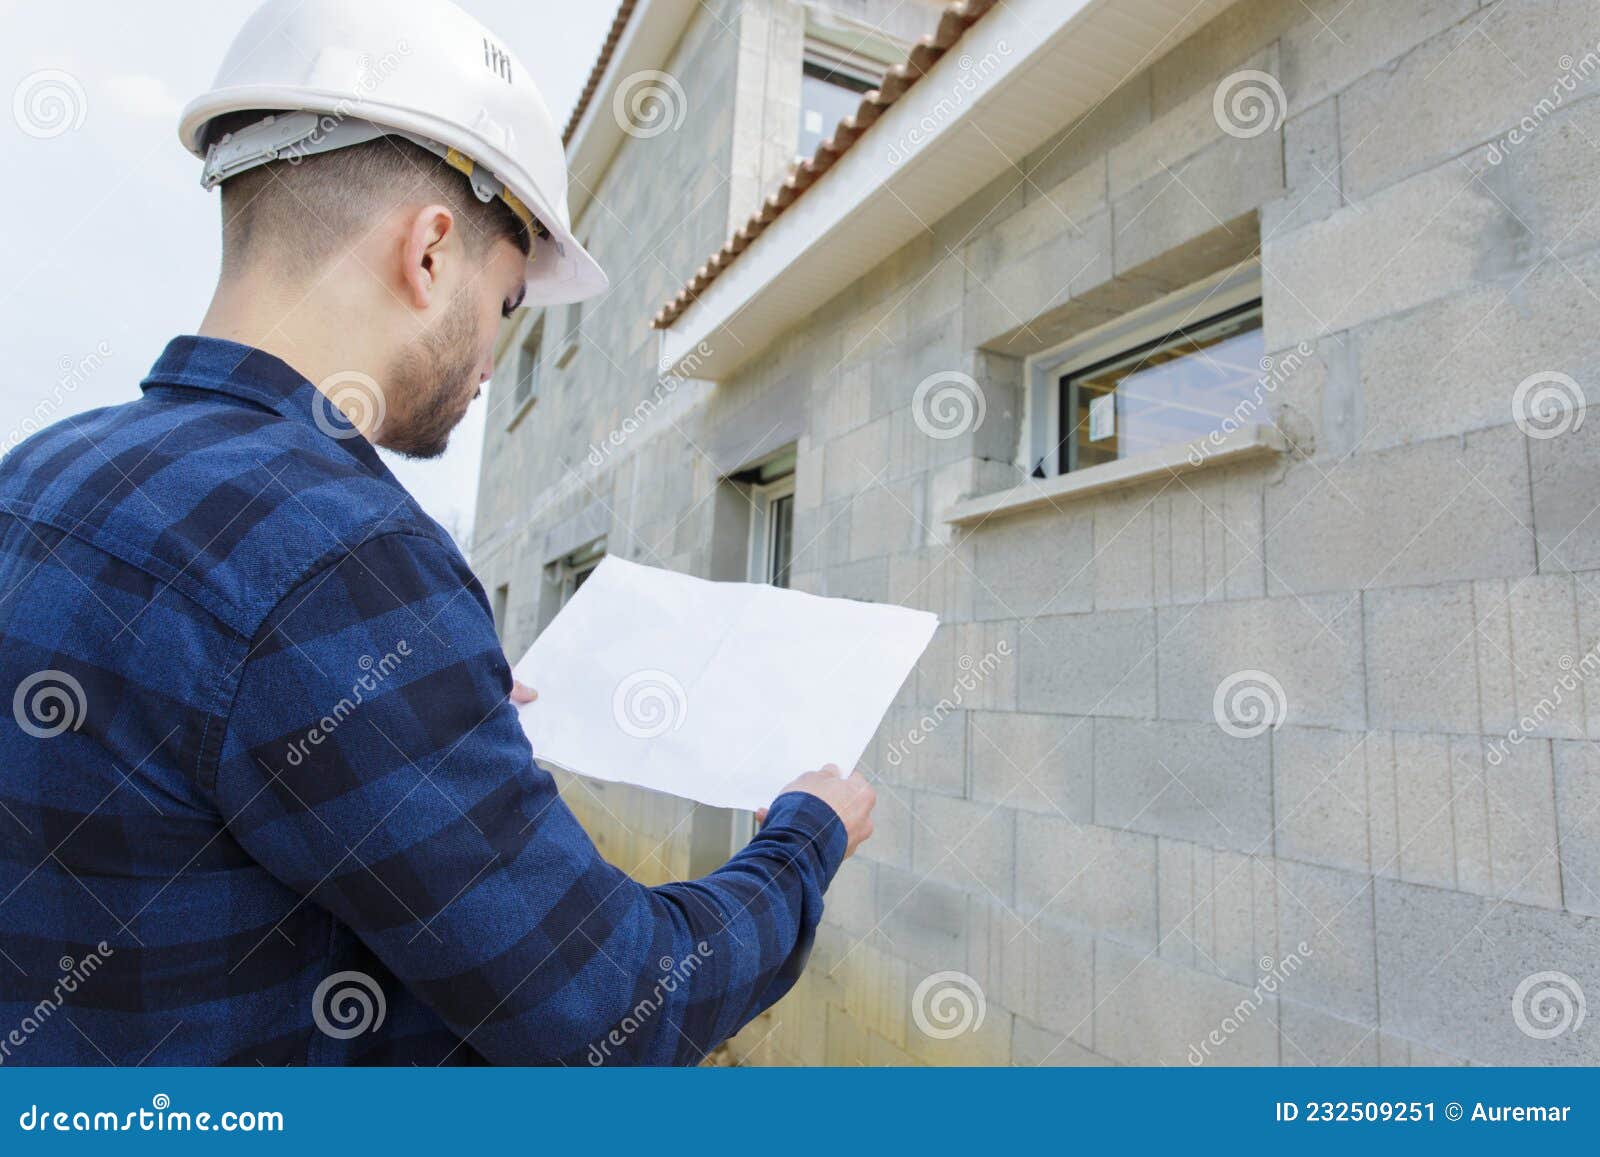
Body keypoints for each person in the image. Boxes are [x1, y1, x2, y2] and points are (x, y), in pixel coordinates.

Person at [0, 0, 874, 1065]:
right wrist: (805, 834)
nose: (494, 362)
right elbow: (611, 1009)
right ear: (427, 252)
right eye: (508, 306)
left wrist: (402, 711)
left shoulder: (38, 472)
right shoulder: (344, 555)